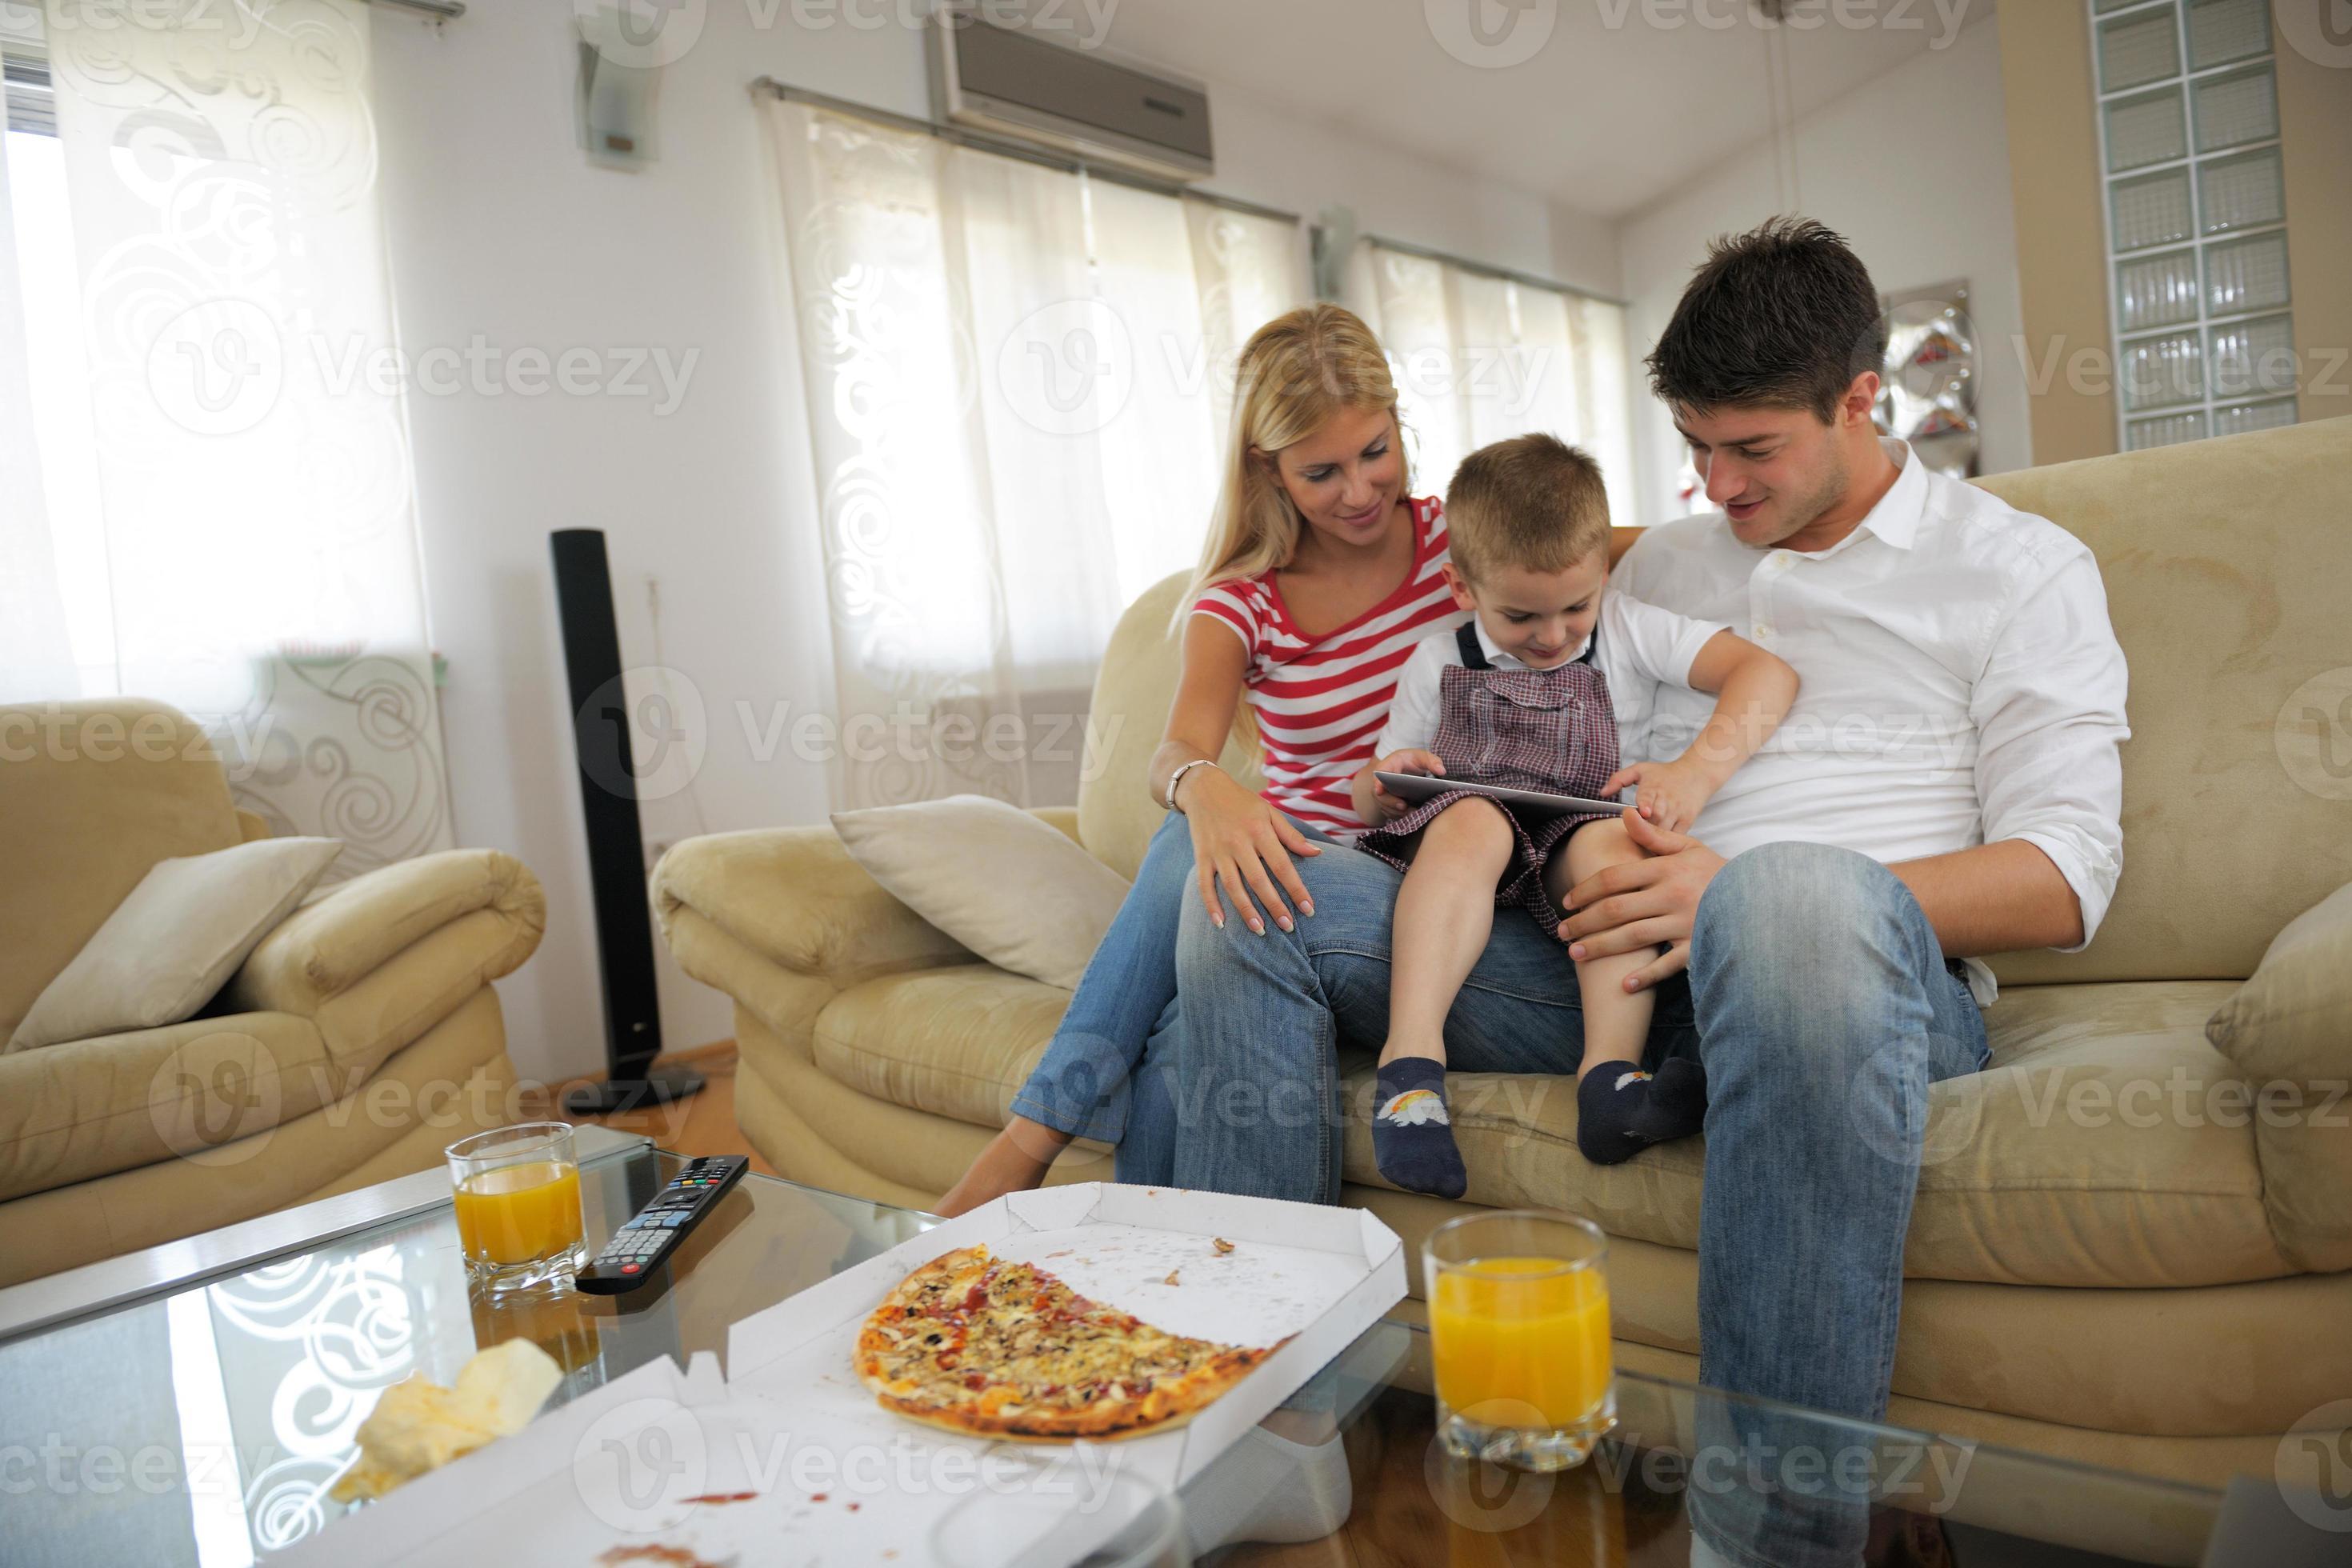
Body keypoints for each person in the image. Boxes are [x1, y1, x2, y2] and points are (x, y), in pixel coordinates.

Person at [1122, 218, 2129, 1565]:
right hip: (1600, 968)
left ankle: (1765, 1542)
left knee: (1785, 909)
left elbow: (2066, 878)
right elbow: (1524, 621)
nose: (1714, 485)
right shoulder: (1660, 562)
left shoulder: (2019, 571)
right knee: (1250, 894)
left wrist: (1737, 891)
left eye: (1751, 450)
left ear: (1859, 400)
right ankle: (1273, 1440)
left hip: (1846, 975)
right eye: (1695, 448)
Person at [934, 302, 1468, 1217]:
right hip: (1286, 887)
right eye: (1321, 471)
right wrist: (1205, 783)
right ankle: (1164, 1312)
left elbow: (1600, 550)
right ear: (1268, 469)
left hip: (1419, 890)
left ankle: (1028, 1144)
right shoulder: (1243, 599)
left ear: (1397, 422)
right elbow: (1177, 749)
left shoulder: (1464, 539)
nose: (1358, 491)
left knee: (1190, 862)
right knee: (1180, 999)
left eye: (1376, 451)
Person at [1349, 434, 1796, 1198]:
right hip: (1469, 853)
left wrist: (1691, 775)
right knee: (1476, 819)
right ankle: (1412, 1069)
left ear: (1603, 575)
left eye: (1576, 607)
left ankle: (1609, 1080)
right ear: (1462, 588)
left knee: (1616, 846)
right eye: (1520, 616)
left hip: (1571, 844)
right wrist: (1388, 783)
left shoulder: (1626, 627)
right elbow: (1371, 788)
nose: (1553, 637)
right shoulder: (1438, 658)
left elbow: (1766, 673)